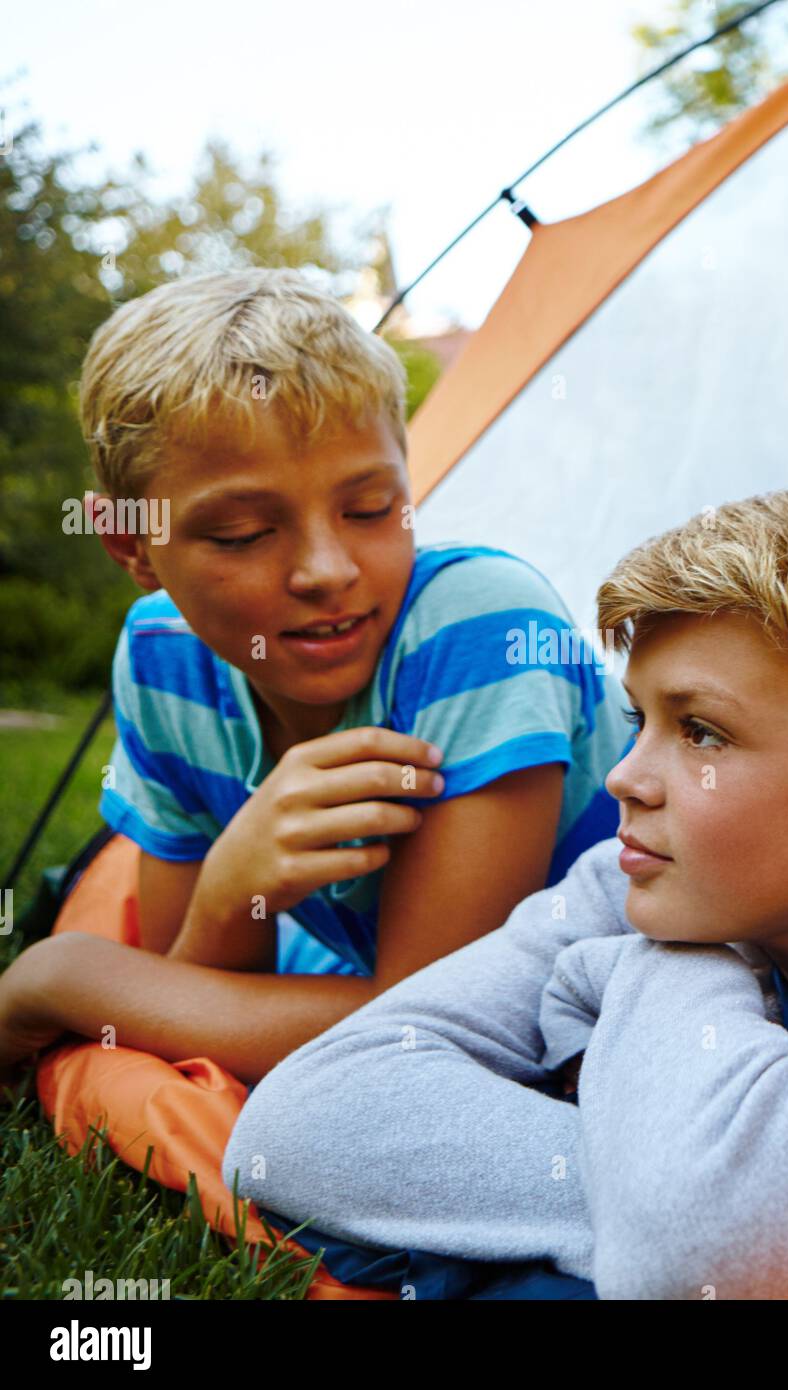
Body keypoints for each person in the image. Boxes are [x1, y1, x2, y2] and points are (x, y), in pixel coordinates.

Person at [221, 489, 788, 1299]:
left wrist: (738, 1225)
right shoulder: (649, 878)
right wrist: (779, 1237)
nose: (623, 778)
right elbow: (300, 1120)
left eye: (701, 732)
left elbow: (691, 1252)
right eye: (636, 721)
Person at [0, 268, 631, 1086]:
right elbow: (191, 995)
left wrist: (62, 980)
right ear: (131, 546)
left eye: (370, 508)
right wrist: (231, 892)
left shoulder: (483, 626)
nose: (327, 571)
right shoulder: (161, 660)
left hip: (610, 1006)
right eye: (242, 533)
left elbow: (437, 1032)